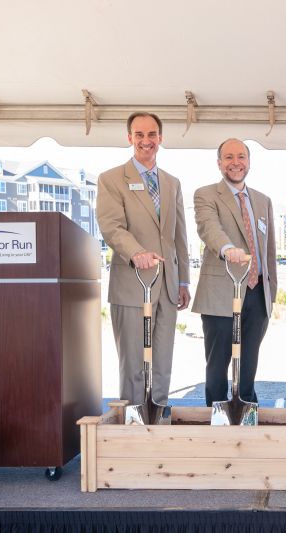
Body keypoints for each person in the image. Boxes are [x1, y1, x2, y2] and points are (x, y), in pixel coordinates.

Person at [97, 112, 190, 406]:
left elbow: (179, 236)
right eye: (139, 135)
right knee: (134, 363)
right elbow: (111, 226)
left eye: (152, 135)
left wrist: (184, 280)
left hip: (168, 284)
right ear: (129, 139)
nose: (146, 141)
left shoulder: (172, 182)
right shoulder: (111, 179)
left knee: (162, 359)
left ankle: (158, 418)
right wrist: (137, 252)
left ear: (160, 138)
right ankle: (133, 425)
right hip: (132, 283)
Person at [192, 139, 277, 406]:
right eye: (228, 157)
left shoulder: (263, 201)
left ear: (249, 162)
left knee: (249, 360)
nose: (235, 162)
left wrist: (270, 293)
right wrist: (228, 248)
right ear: (219, 163)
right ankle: (216, 415)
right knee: (218, 363)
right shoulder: (206, 195)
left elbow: (269, 249)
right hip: (221, 292)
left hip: (256, 291)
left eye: (241, 156)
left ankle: (246, 411)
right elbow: (209, 228)